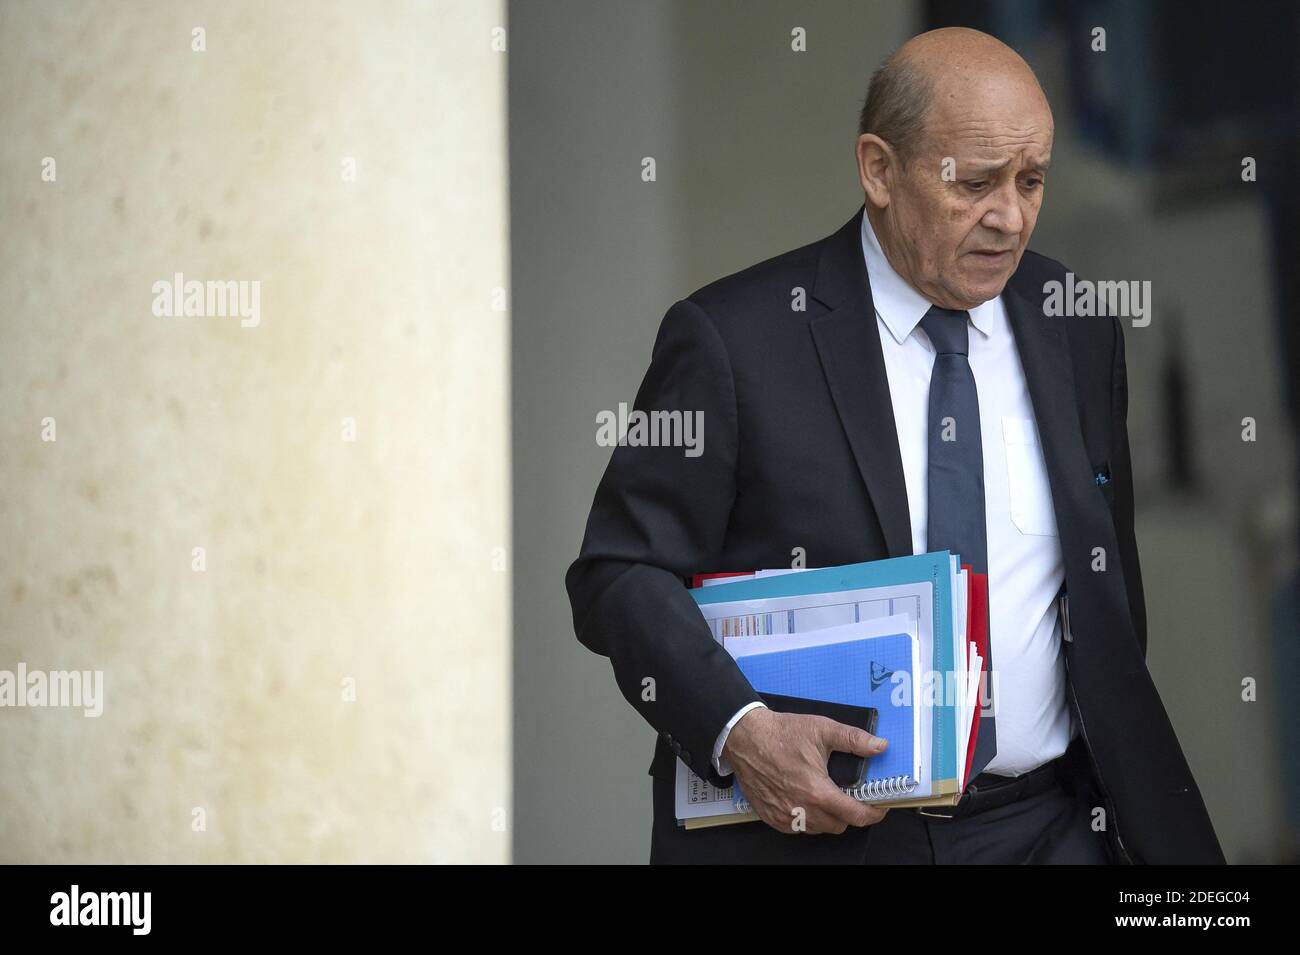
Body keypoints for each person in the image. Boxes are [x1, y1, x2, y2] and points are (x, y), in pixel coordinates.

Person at [566, 27, 1224, 864]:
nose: (1010, 217)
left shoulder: (1077, 319)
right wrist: (738, 731)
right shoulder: (736, 341)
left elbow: (1105, 584)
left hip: (1053, 825)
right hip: (831, 838)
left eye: (1031, 182)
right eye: (976, 184)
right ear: (879, 169)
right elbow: (618, 573)